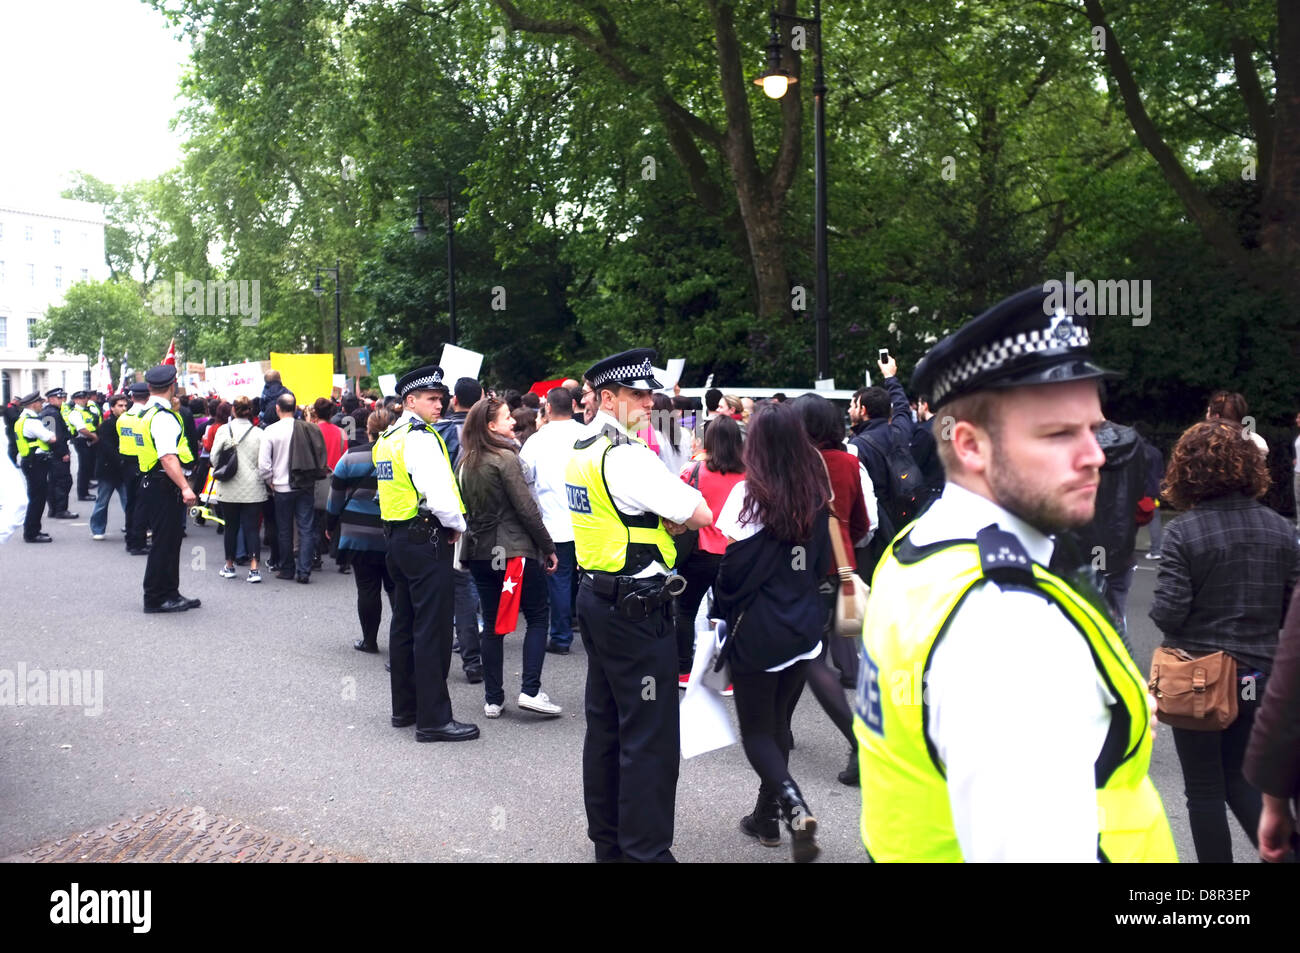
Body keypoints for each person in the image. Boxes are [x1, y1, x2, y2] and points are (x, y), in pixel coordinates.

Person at [855, 285, 1177, 862]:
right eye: (1059, 434)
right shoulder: (1009, 630)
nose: (1096, 454)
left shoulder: (920, 546)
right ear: (971, 445)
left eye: (1093, 428)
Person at [566, 348, 711, 863]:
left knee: (605, 726)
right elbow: (701, 511)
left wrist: (660, 519)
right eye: (637, 394)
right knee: (649, 737)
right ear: (608, 398)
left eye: (650, 393)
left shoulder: (582, 447)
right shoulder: (628, 455)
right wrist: (672, 518)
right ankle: (646, 852)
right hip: (637, 608)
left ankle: (609, 843)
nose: (649, 402)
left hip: (598, 597)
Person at [1150, 418, 1300, 863]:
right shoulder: (1281, 530)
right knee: (1242, 779)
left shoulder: (1183, 531)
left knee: (1203, 789)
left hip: (1200, 675)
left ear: (1188, 470)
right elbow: (1291, 610)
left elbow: (1168, 611)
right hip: (1261, 672)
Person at [713, 402, 831, 862]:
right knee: (781, 722)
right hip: (804, 626)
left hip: (758, 629)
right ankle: (766, 819)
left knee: (759, 731)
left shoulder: (748, 494)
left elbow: (730, 567)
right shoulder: (816, 492)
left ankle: (791, 804)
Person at [373, 364, 478, 743]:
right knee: (431, 629)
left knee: (404, 623)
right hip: (425, 538)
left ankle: (405, 708)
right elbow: (440, 494)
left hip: (398, 538)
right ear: (410, 401)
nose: (441, 404)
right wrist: (457, 525)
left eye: (442, 398)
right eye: (433, 399)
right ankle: (434, 719)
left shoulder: (388, 437)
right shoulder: (420, 437)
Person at [459, 397, 562, 718]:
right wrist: (548, 546)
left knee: (492, 624)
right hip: (515, 551)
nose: (513, 422)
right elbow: (527, 509)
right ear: (491, 426)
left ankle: (493, 698)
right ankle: (530, 690)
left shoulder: (464, 462)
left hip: (479, 552)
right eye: (506, 418)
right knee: (537, 616)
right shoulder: (506, 459)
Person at [794, 392, 869, 786]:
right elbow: (860, 521)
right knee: (819, 650)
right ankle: (781, 731)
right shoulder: (849, 462)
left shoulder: (795, 463)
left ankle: (857, 738)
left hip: (800, 566)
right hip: (840, 567)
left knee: (803, 654)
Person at [672, 414, 744, 684]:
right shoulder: (749, 473)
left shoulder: (693, 470)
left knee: (686, 610)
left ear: (708, 441)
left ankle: (684, 670)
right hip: (737, 553)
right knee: (730, 614)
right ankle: (729, 675)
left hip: (700, 552)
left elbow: (677, 507)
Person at [519, 386, 584, 655]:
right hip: (587, 518)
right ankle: (588, 628)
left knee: (559, 578)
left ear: (547, 409)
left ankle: (560, 636)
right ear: (573, 405)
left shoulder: (536, 441)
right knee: (590, 578)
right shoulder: (588, 435)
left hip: (553, 520)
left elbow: (522, 476)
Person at [328, 409, 395, 652]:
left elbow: (334, 498)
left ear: (368, 430)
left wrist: (330, 524)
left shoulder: (350, 457)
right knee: (395, 589)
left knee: (367, 588)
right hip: (392, 533)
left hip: (357, 534)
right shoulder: (399, 455)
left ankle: (369, 640)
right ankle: (403, 642)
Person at [136, 365, 200, 613]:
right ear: (172, 385)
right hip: (164, 484)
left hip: (153, 482)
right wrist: (185, 487)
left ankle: (169, 592)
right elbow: (168, 457)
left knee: (168, 542)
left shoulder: (146, 413)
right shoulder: (163, 417)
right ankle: (156, 597)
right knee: (165, 543)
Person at [1244, 586, 1300, 862]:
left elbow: (1171, 610)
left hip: (1207, 672)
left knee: (1203, 784)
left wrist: (1274, 802)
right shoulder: (1286, 540)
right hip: (1256, 667)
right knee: (1231, 775)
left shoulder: (1185, 539)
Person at [434, 377, 484, 683]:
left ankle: (418, 653)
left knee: (438, 587)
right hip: (480, 517)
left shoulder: (436, 432)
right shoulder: (484, 433)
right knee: (467, 585)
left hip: (444, 519)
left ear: (454, 399)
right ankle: (473, 659)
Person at [258, 393, 323, 583]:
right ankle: (304, 570)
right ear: (295, 408)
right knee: (306, 527)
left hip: (281, 486)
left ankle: (287, 568)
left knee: (284, 529)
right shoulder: (308, 428)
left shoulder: (270, 431)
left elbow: (263, 464)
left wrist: (270, 480)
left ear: (277, 409)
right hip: (305, 484)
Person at [211, 396, 267, 583]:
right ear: (250, 410)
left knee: (231, 527)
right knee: (252, 529)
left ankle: (229, 566)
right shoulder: (259, 433)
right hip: (254, 487)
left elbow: (213, 458)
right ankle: (254, 569)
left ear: (233, 410)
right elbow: (264, 462)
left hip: (229, 487)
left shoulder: (223, 430)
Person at [14, 391, 56, 543]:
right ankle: (32, 532)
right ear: (34, 404)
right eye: (40, 402)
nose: (42, 405)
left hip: (31, 461)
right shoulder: (32, 421)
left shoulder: (22, 419)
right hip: (36, 462)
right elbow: (51, 438)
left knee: (35, 497)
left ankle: (33, 530)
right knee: (37, 499)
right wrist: (51, 432)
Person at [89, 393, 131, 540]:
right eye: (120, 406)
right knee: (102, 501)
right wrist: (122, 460)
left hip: (123, 469)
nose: (124, 408)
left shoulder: (129, 423)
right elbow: (108, 448)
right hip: (109, 469)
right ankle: (98, 529)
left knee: (128, 501)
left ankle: (131, 526)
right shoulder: (107, 425)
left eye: (125, 405)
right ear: (112, 408)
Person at [118, 382, 152, 555]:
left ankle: (130, 540)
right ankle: (138, 542)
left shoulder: (123, 418)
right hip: (142, 463)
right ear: (148, 397)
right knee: (142, 505)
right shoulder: (145, 417)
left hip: (127, 464)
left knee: (131, 503)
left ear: (131, 397)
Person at [39, 388, 77, 519]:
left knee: (54, 482)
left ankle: (54, 509)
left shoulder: (52, 412)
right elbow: (54, 437)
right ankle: (60, 509)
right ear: (51, 399)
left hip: (53, 453)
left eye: (63, 398)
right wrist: (62, 453)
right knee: (63, 481)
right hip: (56, 454)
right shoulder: (51, 413)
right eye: (59, 398)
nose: (62, 401)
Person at [67, 391, 99, 501]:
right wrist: (94, 437)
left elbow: (95, 422)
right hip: (82, 440)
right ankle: (83, 493)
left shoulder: (88, 410)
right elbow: (81, 429)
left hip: (90, 440)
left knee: (89, 466)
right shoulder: (75, 413)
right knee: (84, 467)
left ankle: (86, 489)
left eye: (85, 398)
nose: (84, 400)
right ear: (75, 400)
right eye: (81, 398)